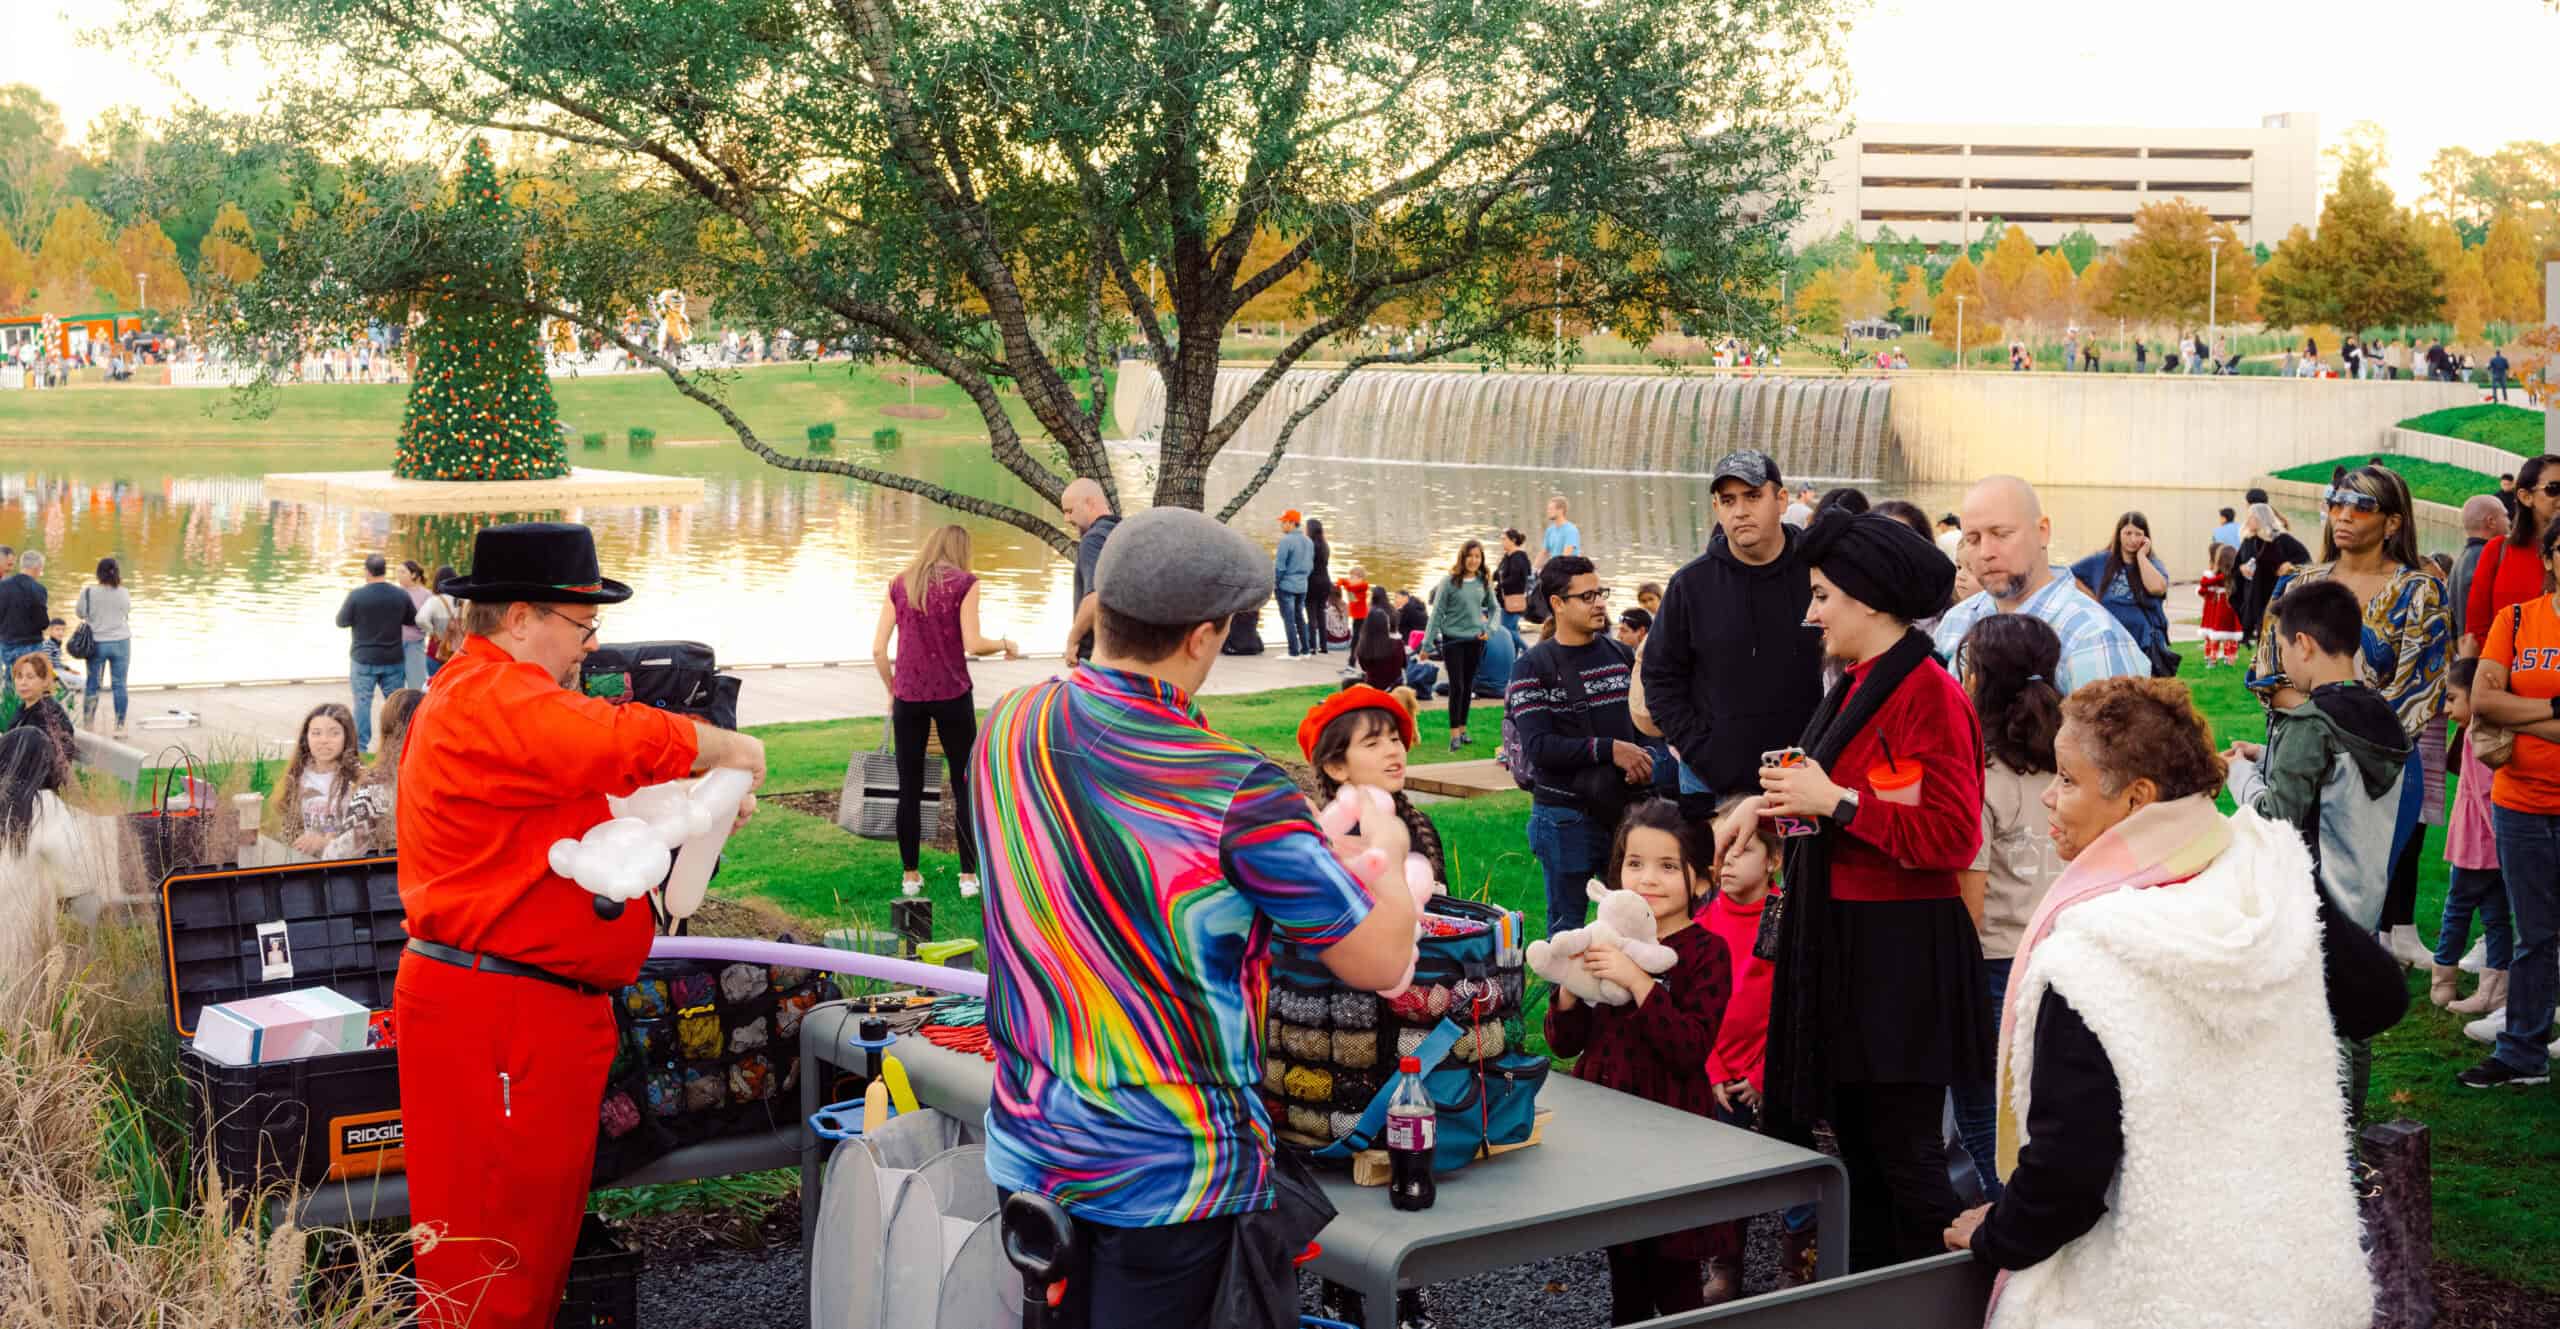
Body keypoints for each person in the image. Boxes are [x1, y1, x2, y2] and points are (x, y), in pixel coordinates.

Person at [973, 507, 1418, 1328]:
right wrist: (1385, 840)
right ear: (1204, 637)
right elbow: (1383, 959)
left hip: (1031, 1141)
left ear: (1103, 608)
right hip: (1174, 1171)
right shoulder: (1235, 787)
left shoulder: (1005, 726)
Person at [395, 522, 766, 1328]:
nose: (588, 649)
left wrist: (697, 815)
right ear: (522, 617)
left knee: (525, 1266)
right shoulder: (488, 693)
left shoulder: (509, 710)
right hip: (498, 1016)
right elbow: (607, 736)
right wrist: (722, 744)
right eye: (582, 626)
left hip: (531, 1013)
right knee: (489, 1276)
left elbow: (594, 811)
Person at [1940, 677, 2374, 1329]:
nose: (2050, 799)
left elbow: (2066, 1175)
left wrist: (1991, 1232)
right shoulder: (2271, 873)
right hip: (2290, 1266)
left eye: (2067, 779)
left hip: (2154, 1289)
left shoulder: (2092, 954)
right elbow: (2376, 998)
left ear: (2136, 798)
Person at [1711, 511, 1984, 1272]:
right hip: (1854, 947)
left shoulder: (1928, 693)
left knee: (1903, 1156)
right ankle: (1871, 1293)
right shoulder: (1861, 684)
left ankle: (1942, 1297)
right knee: (1860, 1151)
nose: (1810, 613)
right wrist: (1757, 806)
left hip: (1899, 958)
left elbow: (1953, 836)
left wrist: (1836, 801)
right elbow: (1828, 785)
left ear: (1868, 599)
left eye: (1823, 595)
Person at [2250, 466, 2449, 970]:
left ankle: (2350, 1033)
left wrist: (2324, 728)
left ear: (2392, 522)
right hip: (2294, 762)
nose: (2343, 514)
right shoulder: (2300, 581)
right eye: (2336, 502)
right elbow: (2267, 676)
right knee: (2286, 898)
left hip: (2377, 774)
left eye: (2361, 506)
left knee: (2349, 918)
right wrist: (2321, 731)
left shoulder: (2419, 592)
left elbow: (2415, 696)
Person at [1544, 799, 1738, 1315]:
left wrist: (1638, 982)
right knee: (1625, 1268)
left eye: (1668, 866)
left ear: (1700, 881)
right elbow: (1565, 1043)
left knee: (1674, 1272)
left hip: (1673, 1131)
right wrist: (1571, 987)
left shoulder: (1707, 953)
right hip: (1612, 1127)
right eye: (1635, 863)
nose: (1648, 879)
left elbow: (1690, 1048)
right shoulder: (1606, 938)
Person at [2228, 580, 2413, 1120]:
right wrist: (2267, 755)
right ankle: (2349, 1135)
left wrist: (2239, 773)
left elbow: (2274, 816)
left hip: (2315, 900)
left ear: (2304, 644)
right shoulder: (2377, 713)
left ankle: (2332, 1147)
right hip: (2364, 890)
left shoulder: (2311, 722)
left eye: (2284, 650)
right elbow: (2339, 776)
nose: (2284, 662)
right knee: (2351, 1019)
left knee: (2319, 1028)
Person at [1946, 613, 2065, 1206]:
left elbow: (1972, 892)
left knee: (1985, 1106)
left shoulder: (1982, 774)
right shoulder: (2070, 767)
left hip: (1995, 963)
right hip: (2060, 954)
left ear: (1979, 682)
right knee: (2046, 1102)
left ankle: (2009, 1223)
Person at [1644, 450, 1824, 818]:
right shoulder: (1689, 586)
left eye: (1753, 496)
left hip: (1806, 778)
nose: (1740, 511)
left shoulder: (1819, 572)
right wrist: (1704, 752)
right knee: (1715, 876)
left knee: (1798, 877)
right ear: (1716, 508)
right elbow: (1660, 680)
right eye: (1728, 501)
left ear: (1781, 500)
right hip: (1711, 785)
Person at [2462, 516, 2560, 1089]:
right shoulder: (2517, 619)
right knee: (2536, 932)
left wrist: (2527, 711)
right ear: (2549, 557)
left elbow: (2505, 703)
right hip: (2520, 800)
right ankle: (2523, 1050)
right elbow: (2484, 701)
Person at [1701, 791, 1815, 1284]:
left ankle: (1800, 1262)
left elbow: (1797, 1007)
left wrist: (1763, 1072)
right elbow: (1692, 1010)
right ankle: (1726, 1262)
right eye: (1720, 847)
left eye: (1742, 847)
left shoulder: (1787, 921)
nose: (1725, 860)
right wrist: (1715, 1071)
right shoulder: (1700, 925)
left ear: (1773, 860)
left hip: (1776, 1072)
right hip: (1720, 1078)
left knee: (1791, 1162)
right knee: (1724, 1170)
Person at [873, 525, 1020, 901]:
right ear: (961, 550)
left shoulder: (899, 583)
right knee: (964, 783)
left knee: (909, 785)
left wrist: (893, 689)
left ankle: (910, 875)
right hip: (953, 695)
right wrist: (1004, 643)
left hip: (909, 697)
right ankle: (968, 877)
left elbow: (877, 650)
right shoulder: (966, 583)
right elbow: (973, 643)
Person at [1512, 555, 1651, 937]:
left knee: (1631, 926)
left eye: (1601, 593)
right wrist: (1610, 750)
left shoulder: (1621, 656)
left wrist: (1645, 759)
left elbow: (1645, 729)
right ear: (1557, 604)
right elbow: (1539, 747)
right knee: (1568, 934)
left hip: (1622, 812)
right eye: (1587, 596)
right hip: (1563, 817)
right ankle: (1564, 998)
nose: (1600, 603)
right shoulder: (1533, 666)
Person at [1935, 476, 2146, 696]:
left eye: (2001, 534)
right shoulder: (1956, 622)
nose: (1986, 552)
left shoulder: (2094, 640)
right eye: (1973, 539)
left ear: (2042, 532)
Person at [1299, 685, 1446, 883]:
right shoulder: (1330, 842)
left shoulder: (1420, 826)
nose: (1393, 751)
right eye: (1372, 744)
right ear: (1336, 767)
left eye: (1394, 739)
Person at [2434, 659, 2511, 1014]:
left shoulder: (2476, 737)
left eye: (2452, 699)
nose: (2447, 709)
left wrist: (2500, 837)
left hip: (2475, 846)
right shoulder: (2487, 731)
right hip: (2493, 850)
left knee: (2457, 910)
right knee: (2496, 917)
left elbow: (2484, 795)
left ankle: (2443, 981)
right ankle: (2495, 991)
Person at [2466, 455, 2560, 653]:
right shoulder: (2497, 550)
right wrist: (2500, 669)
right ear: (2526, 496)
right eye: (2554, 489)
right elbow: (2477, 629)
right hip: (2501, 674)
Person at [2069, 511, 2172, 668]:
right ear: (2119, 534)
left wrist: (2142, 557)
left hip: (2144, 645)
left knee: (2143, 691)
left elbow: (2157, 588)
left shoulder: (2152, 564)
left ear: (2146, 538)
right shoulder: (2101, 561)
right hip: (2111, 645)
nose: (2132, 539)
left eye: (2138, 534)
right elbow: (2069, 575)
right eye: (2127, 533)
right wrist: (2093, 599)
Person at [330, 689, 425, 857]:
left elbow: (341, 853)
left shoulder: (377, 786)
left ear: (387, 727)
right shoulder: (447, 776)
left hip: (391, 876)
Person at [338, 553, 416, 752]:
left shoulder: (357, 595)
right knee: (395, 704)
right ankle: (397, 745)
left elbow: (341, 622)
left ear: (367, 572)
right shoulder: (400, 595)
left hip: (363, 659)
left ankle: (361, 748)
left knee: (362, 703)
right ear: (384, 570)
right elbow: (411, 620)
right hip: (393, 658)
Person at [1423, 540, 1496, 750]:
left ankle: (1463, 730)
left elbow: (1495, 609)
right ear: (1462, 557)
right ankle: (1454, 734)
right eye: (1470, 556)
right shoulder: (1449, 582)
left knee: (1468, 686)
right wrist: (1427, 645)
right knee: (1457, 686)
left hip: (1474, 642)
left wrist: (1488, 630)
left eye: (1477, 556)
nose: (1473, 560)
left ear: (1481, 560)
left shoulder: (1483, 582)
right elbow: (1436, 613)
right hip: (1453, 641)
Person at [279, 702, 363, 857]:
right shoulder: (298, 776)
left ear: (347, 737)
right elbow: (289, 829)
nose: (324, 740)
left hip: (345, 868)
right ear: (306, 737)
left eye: (334, 733)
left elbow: (364, 839)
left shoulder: (359, 780)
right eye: (316, 733)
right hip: (307, 864)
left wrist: (325, 843)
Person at [1058, 477, 1120, 662]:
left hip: (1095, 656)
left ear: (1089, 503)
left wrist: (1072, 640)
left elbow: (1094, 597)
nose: (1066, 519)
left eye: (1070, 511)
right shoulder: (1123, 533)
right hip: (1122, 650)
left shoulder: (1093, 540)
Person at [2236, 501, 2310, 649]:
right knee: (2261, 635)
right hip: (2256, 594)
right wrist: (2241, 568)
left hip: (2278, 593)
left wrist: (2290, 565)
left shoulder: (2281, 539)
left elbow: (2305, 558)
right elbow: (2238, 565)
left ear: (2261, 519)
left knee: (2276, 635)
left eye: (2252, 517)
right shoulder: (2249, 541)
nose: (2248, 521)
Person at [76, 557, 131, 735]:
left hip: (96, 643)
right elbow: (126, 611)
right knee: (119, 685)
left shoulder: (88, 592)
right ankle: (120, 726)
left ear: (98, 573)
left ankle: (89, 724)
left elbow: (80, 613)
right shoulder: (123, 592)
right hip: (121, 642)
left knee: (93, 684)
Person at [2451, 494, 2508, 653]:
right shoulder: (2486, 559)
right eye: (2506, 516)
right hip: (2485, 654)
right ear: (2491, 522)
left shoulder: (2461, 560)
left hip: (2466, 653)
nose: (2510, 522)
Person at [6, 654, 74, 779]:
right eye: (19, 677)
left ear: (45, 681)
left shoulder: (49, 713)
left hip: (37, 785)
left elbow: (56, 759)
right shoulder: (23, 709)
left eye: (30, 677)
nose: (23, 683)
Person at [1273, 509, 1314, 658]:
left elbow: (1280, 567)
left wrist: (1275, 583)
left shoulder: (1286, 541)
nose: (1282, 526)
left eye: (1284, 522)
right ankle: (1306, 650)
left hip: (1286, 586)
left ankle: (1293, 652)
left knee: (1288, 619)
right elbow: (1310, 566)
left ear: (1291, 523)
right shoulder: (1309, 541)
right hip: (1302, 585)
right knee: (1299, 617)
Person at [0, 548, 48, 676]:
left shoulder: (3, 586)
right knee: (31, 681)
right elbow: (42, 622)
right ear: (37, 568)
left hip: (7, 644)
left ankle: (8, 696)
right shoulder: (38, 589)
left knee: (11, 679)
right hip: (30, 645)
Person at [1351, 585, 1404, 691]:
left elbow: (1364, 667)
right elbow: (1403, 664)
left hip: (1373, 686)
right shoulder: (1398, 644)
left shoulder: (1364, 646)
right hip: (1394, 686)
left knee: (1350, 682)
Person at [2198, 543, 2242, 665]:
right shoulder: (2234, 575)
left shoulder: (2217, 576)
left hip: (2221, 607)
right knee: (2231, 634)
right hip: (2232, 608)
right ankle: (2230, 658)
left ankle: (2212, 658)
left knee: (2217, 633)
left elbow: (2203, 585)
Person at [419, 563, 460, 679]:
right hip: (458, 653)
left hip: (435, 651)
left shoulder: (433, 600)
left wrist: (433, 632)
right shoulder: (463, 600)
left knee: (435, 689)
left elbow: (421, 621)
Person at [1495, 528, 1534, 643]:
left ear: (1513, 540)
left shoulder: (1519, 557)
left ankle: (1527, 650)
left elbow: (1517, 579)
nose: (1502, 542)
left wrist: (1500, 585)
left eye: (1504, 539)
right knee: (1511, 629)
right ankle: (1515, 655)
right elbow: (1498, 574)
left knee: (1508, 630)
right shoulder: (1507, 556)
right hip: (1505, 599)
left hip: (1514, 600)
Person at [1303, 517, 1335, 656]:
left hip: (1312, 582)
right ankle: (1323, 645)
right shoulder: (1325, 545)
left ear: (1309, 529)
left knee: (1311, 615)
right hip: (1325, 581)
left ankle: (1312, 647)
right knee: (1321, 613)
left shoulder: (1309, 545)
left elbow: (1306, 565)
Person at [1541, 495, 1582, 564]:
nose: (1548, 511)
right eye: (1548, 509)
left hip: (1568, 568)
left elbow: (1565, 557)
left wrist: (1550, 570)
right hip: (1554, 567)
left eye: (1551, 509)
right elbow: (1544, 553)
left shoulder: (1571, 530)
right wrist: (1533, 570)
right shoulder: (1550, 530)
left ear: (1561, 510)